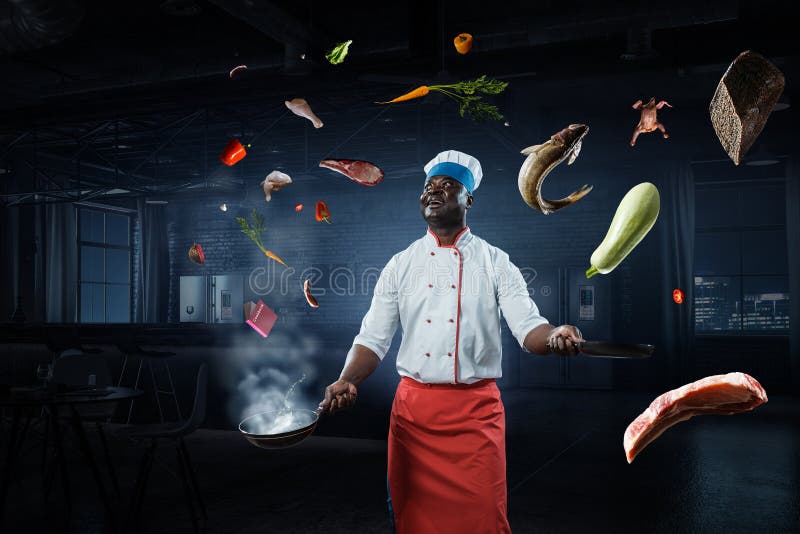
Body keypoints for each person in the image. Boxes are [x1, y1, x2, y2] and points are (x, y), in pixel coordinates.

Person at [319, 150, 584, 533]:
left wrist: (555, 334)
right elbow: (373, 338)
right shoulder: (401, 264)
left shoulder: (495, 262)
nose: (434, 192)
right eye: (429, 187)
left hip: (475, 415)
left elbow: (529, 329)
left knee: (483, 521)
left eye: (448, 186)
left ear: (468, 200)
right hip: (414, 417)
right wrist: (347, 379)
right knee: (415, 523)